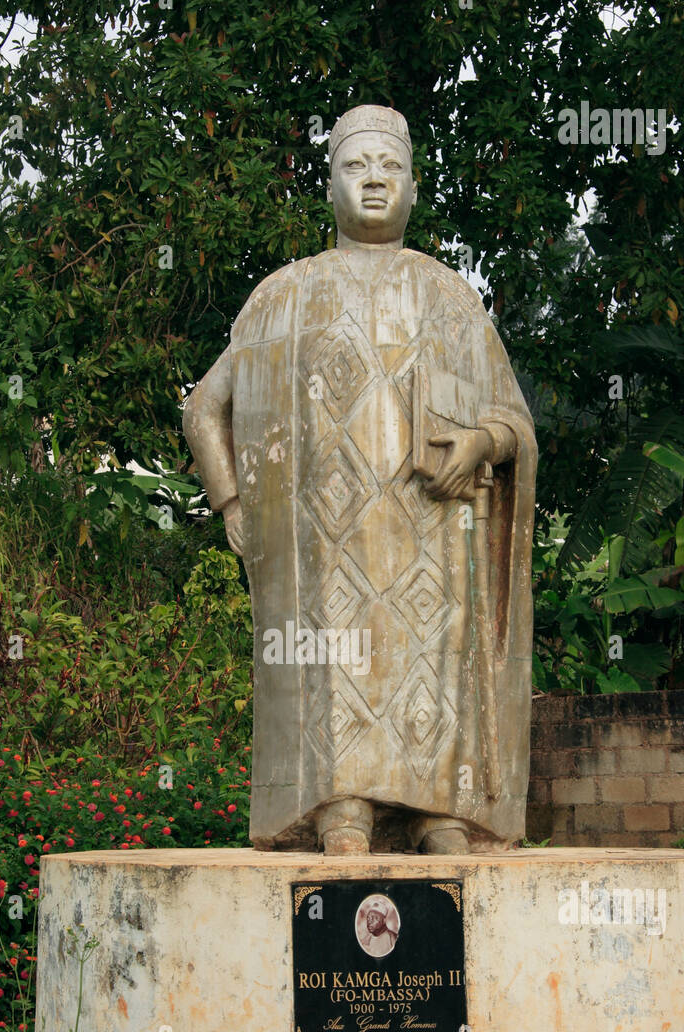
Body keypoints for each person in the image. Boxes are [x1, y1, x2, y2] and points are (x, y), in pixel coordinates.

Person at [183, 105, 537, 855]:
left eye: (391, 168)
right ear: (330, 184)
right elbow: (204, 406)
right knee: (333, 654)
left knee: (433, 659)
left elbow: (515, 423)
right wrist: (232, 499)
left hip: (436, 531)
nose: (374, 180)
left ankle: (438, 807)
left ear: (411, 187)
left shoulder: (450, 296)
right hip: (327, 537)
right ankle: (341, 804)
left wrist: (479, 441)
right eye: (356, 166)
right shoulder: (286, 295)